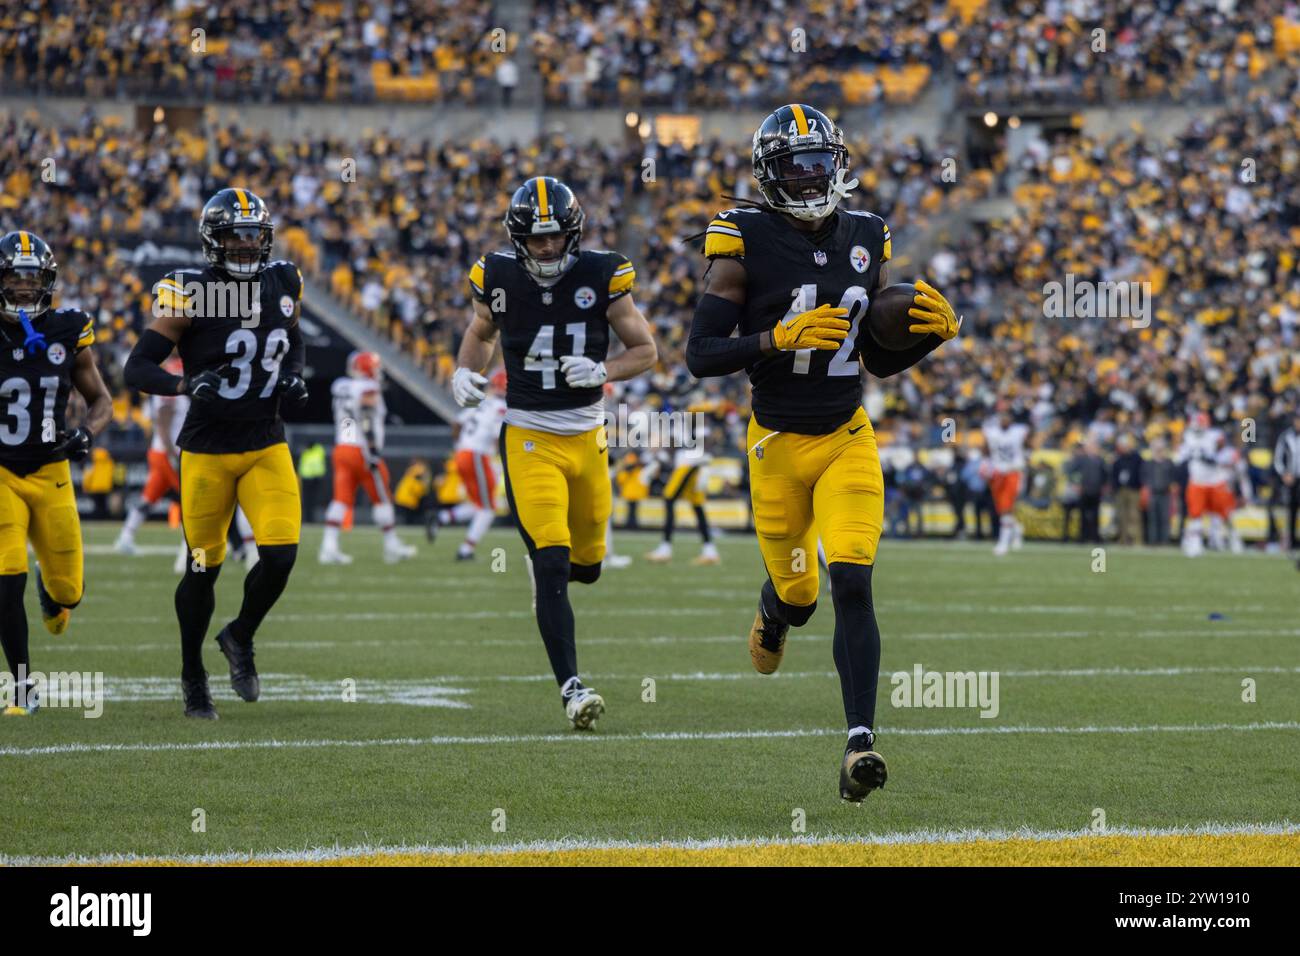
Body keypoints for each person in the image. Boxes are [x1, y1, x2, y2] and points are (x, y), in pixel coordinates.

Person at [683, 104, 960, 801]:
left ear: (837, 164)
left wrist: (931, 337)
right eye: (794, 167)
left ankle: (858, 743)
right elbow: (700, 355)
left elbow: (870, 354)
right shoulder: (740, 235)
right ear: (768, 174)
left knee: (854, 580)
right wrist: (777, 338)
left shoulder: (868, 233)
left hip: (846, 437)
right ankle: (775, 610)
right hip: (776, 444)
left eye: (819, 165)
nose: (810, 180)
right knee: (803, 600)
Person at [451, 176, 657, 730]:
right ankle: (571, 687)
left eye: (555, 237)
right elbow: (481, 330)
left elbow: (646, 350)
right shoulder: (494, 275)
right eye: (537, 239)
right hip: (528, 435)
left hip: (588, 437)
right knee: (552, 562)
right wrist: (464, 372)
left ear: (574, 233)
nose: (546, 248)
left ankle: (550, 574)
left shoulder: (602, 273)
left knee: (585, 569)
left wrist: (603, 371)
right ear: (518, 239)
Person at [124, 187, 309, 719]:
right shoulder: (190, 292)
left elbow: (292, 341)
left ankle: (239, 635)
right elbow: (137, 367)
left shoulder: (284, 279)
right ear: (214, 240)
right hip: (207, 450)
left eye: (255, 236)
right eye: (236, 235)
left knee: (280, 556)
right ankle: (192, 676)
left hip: (264, 443)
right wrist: (183, 387)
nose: (248, 246)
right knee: (204, 567)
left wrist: (293, 378)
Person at [0, 231, 113, 715]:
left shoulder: (69, 327)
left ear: (48, 281)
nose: (25, 289)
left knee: (70, 592)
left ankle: (54, 595)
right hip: (1, 472)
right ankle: (23, 686)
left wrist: (87, 433)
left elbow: (101, 400)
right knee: (6, 577)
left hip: (51, 470)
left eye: (33, 279)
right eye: (15, 278)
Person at [320, 350, 416, 565]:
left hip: (343, 446)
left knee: (341, 499)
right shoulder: (367, 388)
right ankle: (391, 546)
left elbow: (349, 420)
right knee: (382, 499)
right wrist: (372, 449)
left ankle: (328, 546)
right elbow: (365, 416)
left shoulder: (341, 385)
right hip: (362, 450)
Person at [116, 355, 188, 566]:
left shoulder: (166, 392)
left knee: (149, 497)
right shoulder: (171, 393)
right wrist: (173, 456)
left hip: (159, 451)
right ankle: (187, 552)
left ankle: (126, 536)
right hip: (167, 453)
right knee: (190, 500)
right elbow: (164, 426)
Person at [982, 404, 1030, 555]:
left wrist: (1026, 457)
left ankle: (1002, 544)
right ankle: (1016, 529)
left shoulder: (1019, 431)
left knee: (1006, 508)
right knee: (1001, 509)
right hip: (997, 473)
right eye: (1002, 417)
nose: (1004, 420)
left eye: (1007, 417)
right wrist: (985, 464)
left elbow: (1030, 443)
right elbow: (985, 449)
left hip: (1013, 471)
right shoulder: (991, 432)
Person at [1111, 433, 1143, 546]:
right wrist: (1115, 487)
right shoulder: (1118, 458)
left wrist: (1139, 485)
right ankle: (1122, 540)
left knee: (1134, 515)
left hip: (1134, 490)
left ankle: (1136, 540)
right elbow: (1114, 474)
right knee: (1121, 516)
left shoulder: (1137, 458)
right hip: (1121, 490)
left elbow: (1140, 473)